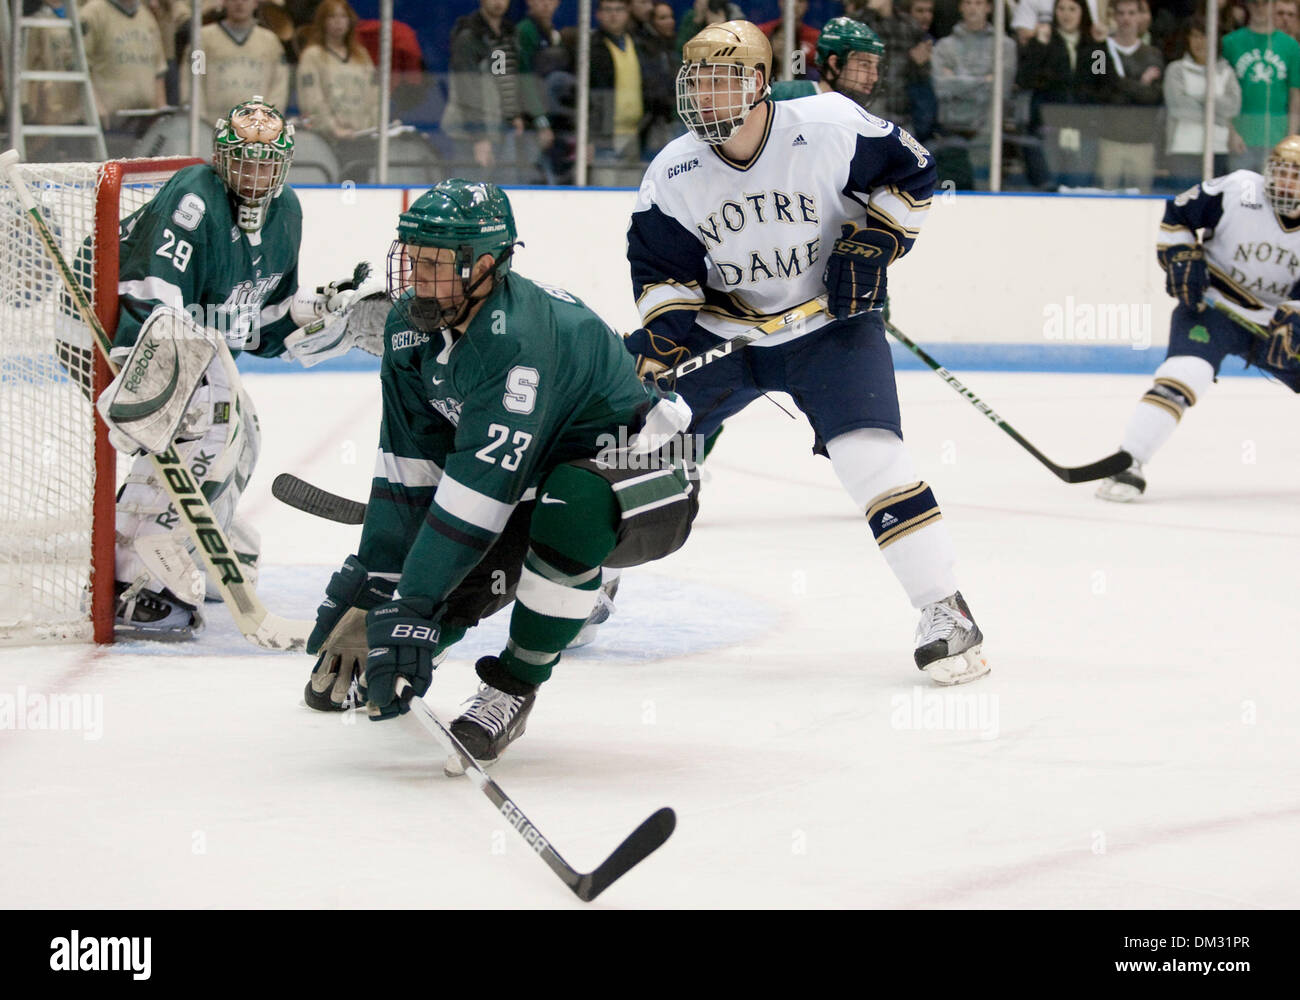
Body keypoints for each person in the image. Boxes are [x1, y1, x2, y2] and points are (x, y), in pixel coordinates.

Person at [623, 20, 989, 685]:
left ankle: (945, 608)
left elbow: (913, 175)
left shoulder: (828, 124)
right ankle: (589, 578)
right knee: (630, 444)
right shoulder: (672, 170)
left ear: (758, 84)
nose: (703, 97)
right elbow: (663, 272)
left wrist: (876, 244)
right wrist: (659, 344)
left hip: (829, 325)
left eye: (720, 82)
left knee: (869, 455)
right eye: (695, 83)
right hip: (725, 332)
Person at [304, 180, 700, 771]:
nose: (416, 277)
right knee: (448, 583)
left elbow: (477, 500)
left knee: (569, 508)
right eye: (412, 259)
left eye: (435, 265)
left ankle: (513, 688)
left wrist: (410, 607)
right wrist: (377, 582)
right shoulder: (409, 333)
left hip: (642, 470)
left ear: (483, 267)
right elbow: (409, 471)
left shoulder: (516, 341)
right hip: (530, 472)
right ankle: (569, 586)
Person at [90, 98, 382, 637]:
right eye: (242, 160)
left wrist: (321, 313)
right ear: (222, 159)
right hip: (108, 325)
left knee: (242, 430)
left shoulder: (287, 211)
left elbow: (262, 325)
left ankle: (192, 542)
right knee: (204, 421)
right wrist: (148, 380)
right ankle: (130, 583)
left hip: (182, 338)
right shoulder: (195, 196)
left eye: (266, 162)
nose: (254, 174)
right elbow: (153, 294)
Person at [1096, 136, 1300, 501]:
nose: (1285, 182)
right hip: (1212, 306)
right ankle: (1128, 463)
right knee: (1185, 374)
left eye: (1296, 176)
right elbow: (1178, 215)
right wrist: (1181, 257)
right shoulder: (1239, 189)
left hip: (1275, 326)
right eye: (1281, 172)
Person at [930, 0, 1016, 190]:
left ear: (988, 7)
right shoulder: (944, 46)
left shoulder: (1005, 46)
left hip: (987, 131)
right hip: (951, 129)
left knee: (984, 191)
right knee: (951, 194)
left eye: (978, 3)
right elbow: (941, 87)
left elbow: (1001, 89)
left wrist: (956, 80)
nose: (972, 8)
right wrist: (983, 80)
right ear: (960, 7)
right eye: (968, 2)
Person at [1162, 14, 1242, 189]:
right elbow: (1180, 108)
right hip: (1184, 148)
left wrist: (1197, 98)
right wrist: (1216, 113)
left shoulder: (1225, 71)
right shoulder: (1176, 70)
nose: (1200, 42)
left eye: (1205, 36)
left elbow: (1233, 107)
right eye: (1195, 36)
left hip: (1218, 148)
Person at [1092, 0, 1164, 191]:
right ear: (1114, 16)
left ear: (1140, 17)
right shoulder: (1099, 52)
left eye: (1131, 13)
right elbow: (1101, 92)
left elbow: (1153, 97)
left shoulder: (1153, 54)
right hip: (1109, 141)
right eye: (1121, 13)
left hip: (1142, 143)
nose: (1126, 18)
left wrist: (1118, 84)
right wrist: (1140, 84)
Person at [1222, 0, 1300, 173]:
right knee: (1239, 194)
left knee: (1271, 196)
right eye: (1254, 3)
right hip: (1241, 138)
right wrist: (1231, 132)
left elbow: (1295, 97)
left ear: (1273, 6)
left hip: (1276, 139)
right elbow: (1222, 95)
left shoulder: (1291, 47)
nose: (1259, 8)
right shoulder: (1230, 43)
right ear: (1248, 6)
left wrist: (1290, 139)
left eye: (1264, 3)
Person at [183, 0, 290, 124]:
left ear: (255, 3)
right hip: (212, 127)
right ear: (224, 2)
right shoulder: (202, 39)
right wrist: (201, 122)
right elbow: (192, 80)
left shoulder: (270, 42)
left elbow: (279, 86)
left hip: (257, 130)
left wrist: (267, 121)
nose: (240, 3)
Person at [296, 0, 379, 143]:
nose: (338, 22)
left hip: (363, 136)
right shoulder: (312, 55)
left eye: (343, 17)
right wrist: (331, 128)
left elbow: (375, 95)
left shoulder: (361, 55)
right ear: (322, 21)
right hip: (328, 138)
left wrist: (372, 126)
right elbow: (310, 99)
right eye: (332, 17)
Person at [769, 16, 885, 106]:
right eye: (865, 64)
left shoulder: (865, 118)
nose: (874, 77)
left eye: (876, 66)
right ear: (834, 63)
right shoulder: (783, 97)